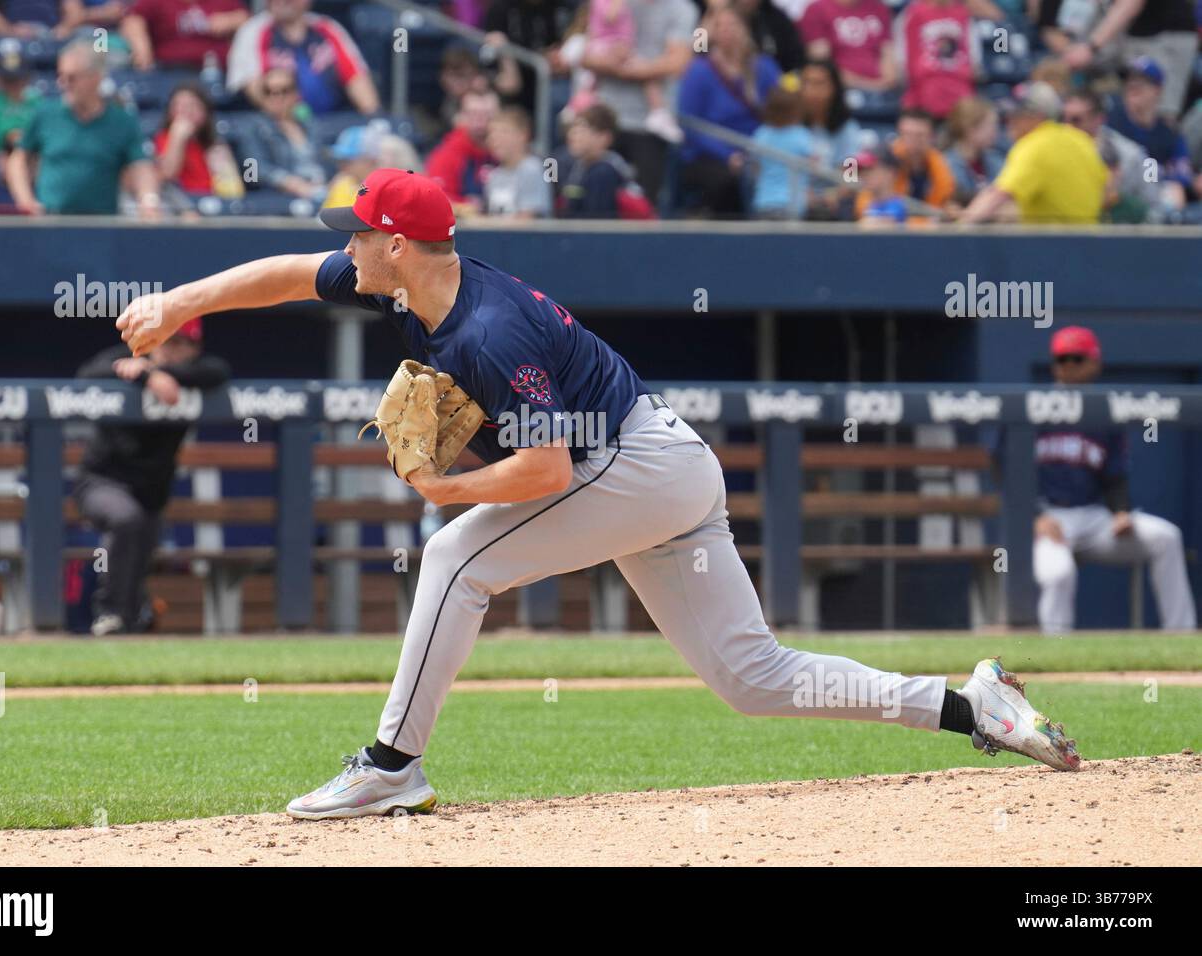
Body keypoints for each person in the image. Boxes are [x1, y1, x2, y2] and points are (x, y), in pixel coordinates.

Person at [115, 166, 1082, 820]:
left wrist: (442, 483)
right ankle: (972, 707)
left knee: (455, 558)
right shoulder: (412, 281)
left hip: (634, 467)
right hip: (658, 467)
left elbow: (546, 474)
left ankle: (390, 768)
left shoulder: (489, 333)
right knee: (753, 679)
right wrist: (180, 301)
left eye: (358, 235)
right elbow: (287, 274)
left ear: (397, 246)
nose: (347, 249)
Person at [1032, 326, 1196, 633]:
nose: (1068, 365)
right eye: (1061, 358)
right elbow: (1006, 470)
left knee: (1166, 537)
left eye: (1076, 358)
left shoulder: (1105, 411)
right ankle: (1056, 656)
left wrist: (1121, 510)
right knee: (1058, 573)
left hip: (1094, 518)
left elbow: (1115, 474)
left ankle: (1181, 637)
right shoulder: (1035, 406)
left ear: (1094, 362)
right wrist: (1034, 516)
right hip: (1048, 518)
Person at [75, 318, 230, 636]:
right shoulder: (125, 356)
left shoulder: (197, 372)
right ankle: (109, 613)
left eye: (184, 345)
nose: (176, 351)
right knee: (125, 520)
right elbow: (86, 374)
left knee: (142, 549)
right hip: (101, 481)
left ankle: (128, 622)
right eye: (169, 342)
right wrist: (144, 372)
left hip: (151, 491)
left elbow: (218, 371)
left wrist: (155, 374)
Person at [6, 42, 162, 217]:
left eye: (72, 77)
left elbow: (140, 165)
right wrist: (25, 200)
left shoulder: (122, 121)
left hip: (101, 223)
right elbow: (18, 159)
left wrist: (149, 201)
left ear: (96, 78)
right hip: (51, 220)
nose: (63, 83)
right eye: (60, 76)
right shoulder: (46, 114)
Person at [582, 0, 700, 202]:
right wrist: (618, 64)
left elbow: (679, 62)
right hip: (605, 121)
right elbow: (587, 56)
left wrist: (636, 69)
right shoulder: (613, 3)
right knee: (595, 198)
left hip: (649, 126)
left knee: (645, 203)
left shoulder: (682, 9)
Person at [676, 6, 782, 216]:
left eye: (732, 25)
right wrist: (728, 156)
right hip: (709, 155)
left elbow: (780, 110)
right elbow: (690, 124)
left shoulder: (765, 67)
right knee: (729, 181)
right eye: (719, 26)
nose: (726, 31)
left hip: (759, 150)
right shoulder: (699, 70)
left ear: (745, 29)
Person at [960, 81, 1108, 223]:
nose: (1009, 122)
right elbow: (1103, 192)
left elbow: (996, 197)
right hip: (1090, 243)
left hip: (1053, 245)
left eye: (1016, 115)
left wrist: (957, 231)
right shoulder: (1083, 141)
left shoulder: (1034, 144)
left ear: (1037, 116)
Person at [226, 0, 379, 115]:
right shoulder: (253, 31)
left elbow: (358, 81)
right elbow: (255, 91)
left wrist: (373, 119)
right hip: (278, 130)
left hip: (333, 123)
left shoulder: (327, 28)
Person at [1053, 0, 1197, 120]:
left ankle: (1163, 153)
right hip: (1137, 36)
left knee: (1158, 111)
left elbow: (1131, 3)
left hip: (1166, 36)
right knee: (1132, 108)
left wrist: (1091, 47)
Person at [1063, 88, 1170, 222]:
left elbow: (1154, 206)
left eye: (1076, 120)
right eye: (1063, 119)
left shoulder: (1134, 154)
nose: (1067, 127)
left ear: (1098, 119)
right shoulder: (1053, 150)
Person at [1105, 57, 1198, 207]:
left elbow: (1179, 182)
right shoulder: (1110, 125)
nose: (1132, 85)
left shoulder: (1168, 134)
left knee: (1174, 192)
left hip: (1156, 201)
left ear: (1157, 89)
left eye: (1141, 82)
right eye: (1129, 82)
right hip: (1118, 198)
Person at [235, 66, 334, 201]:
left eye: (285, 90)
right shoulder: (251, 127)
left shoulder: (311, 124)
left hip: (323, 190)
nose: (277, 97)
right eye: (269, 91)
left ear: (297, 94)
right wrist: (288, 182)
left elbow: (329, 162)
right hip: (281, 198)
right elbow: (251, 173)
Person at [154, 82, 243, 205]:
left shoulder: (215, 145)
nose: (186, 111)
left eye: (192, 105)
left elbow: (233, 190)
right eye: (179, 106)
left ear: (205, 112)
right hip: (182, 204)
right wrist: (178, 138)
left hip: (213, 202)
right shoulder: (163, 138)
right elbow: (167, 174)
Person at [799, 57, 864, 217]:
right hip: (797, 200)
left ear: (833, 88)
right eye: (806, 83)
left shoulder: (848, 130)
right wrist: (801, 194)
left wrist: (833, 195)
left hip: (833, 204)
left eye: (819, 84)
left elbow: (851, 176)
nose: (811, 90)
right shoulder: (791, 126)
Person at [895, 0, 980, 119]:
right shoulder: (911, 14)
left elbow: (975, 64)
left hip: (960, 93)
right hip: (922, 94)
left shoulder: (965, 15)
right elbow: (902, 65)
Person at [557, 102, 644, 217]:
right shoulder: (574, 165)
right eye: (573, 130)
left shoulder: (603, 172)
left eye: (582, 131)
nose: (573, 136)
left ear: (604, 138)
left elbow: (596, 227)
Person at [798, 0, 898, 92]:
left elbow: (888, 53)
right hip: (840, 89)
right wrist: (867, 85)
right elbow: (822, 64)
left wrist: (886, 82)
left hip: (883, 89)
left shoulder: (879, 8)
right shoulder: (817, 10)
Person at [121, 0, 248, 72]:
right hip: (169, 69)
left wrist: (233, 20)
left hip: (216, 70)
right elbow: (133, 20)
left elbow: (248, 19)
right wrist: (141, 47)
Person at [425, 88, 499, 210]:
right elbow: (438, 198)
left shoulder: (509, 153)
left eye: (487, 114)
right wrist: (465, 206)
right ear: (460, 116)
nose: (480, 120)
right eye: (473, 114)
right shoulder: (447, 154)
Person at [750, 83, 815, 219]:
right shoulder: (801, 135)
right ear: (796, 111)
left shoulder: (761, 134)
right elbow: (813, 166)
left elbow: (754, 168)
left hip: (764, 202)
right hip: (793, 204)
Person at [483, 106, 554, 217]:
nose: (495, 139)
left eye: (504, 132)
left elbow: (527, 221)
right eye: (491, 133)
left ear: (523, 135)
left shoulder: (532, 169)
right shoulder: (494, 176)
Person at [890, 108, 956, 209]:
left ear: (931, 137)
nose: (912, 141)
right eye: (907, 134)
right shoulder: (886, 163)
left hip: (931, 220)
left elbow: (945, 199)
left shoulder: (941, 163)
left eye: (919, 135)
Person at [942, 95, 1004, 203]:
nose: (994, 132)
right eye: (989, 125)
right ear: (970, 129)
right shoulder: (946, 164)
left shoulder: (996, 160)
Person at [855, 145, 909, 224]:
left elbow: (886, 222)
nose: (863, 175)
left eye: (870, 169)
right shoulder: (867, 205)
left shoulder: (897, 205)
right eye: (861, 171)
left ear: (890, 173)